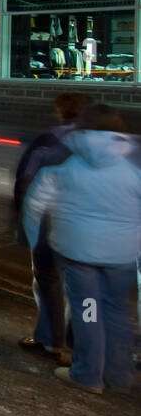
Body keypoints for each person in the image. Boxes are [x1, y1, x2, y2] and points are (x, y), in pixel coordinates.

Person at [21, 104, 141, 394]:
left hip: (78, 254)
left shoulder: (62, 159)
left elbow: (35, 205)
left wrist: (32, 238)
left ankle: (88, 374)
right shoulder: (134, 165)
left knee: (88, 311)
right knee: (117, 311)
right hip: (122, 254)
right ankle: (120, 373)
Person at [12, 92, 91, 358]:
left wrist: (24, 221)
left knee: (48, 282)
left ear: (60, 112)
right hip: (88, 226)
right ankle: (80, 339)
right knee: (83, 286)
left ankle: (50, 339)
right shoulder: (101, 146)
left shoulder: (47, 143)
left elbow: (26, 181)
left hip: (50, 223)